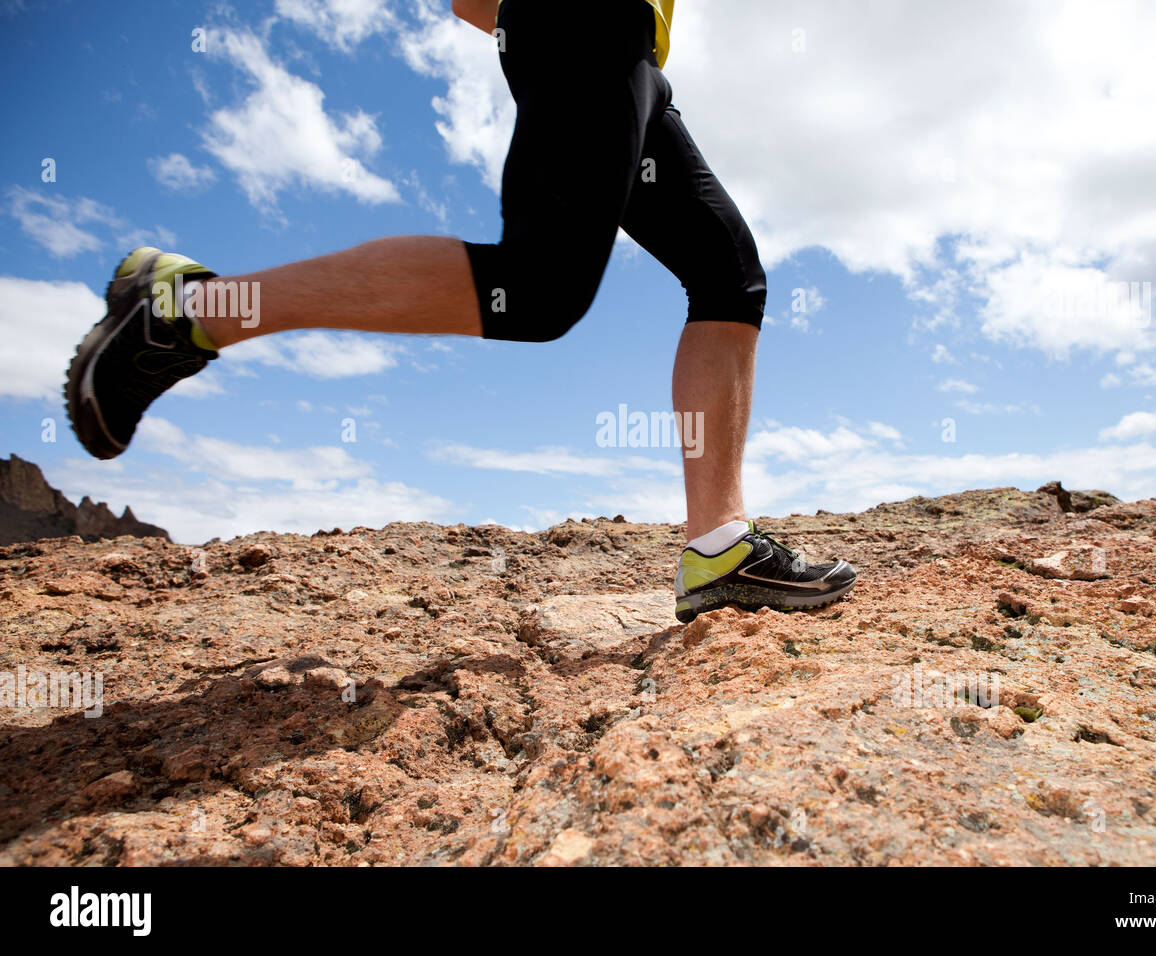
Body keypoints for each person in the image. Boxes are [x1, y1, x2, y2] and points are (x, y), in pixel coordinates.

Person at [64, 0, 857, 623]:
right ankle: (190, 307)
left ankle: (718, 547)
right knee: (540, 287)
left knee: (726, 273)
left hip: (634, 54)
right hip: (591, 25)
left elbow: (473, 4)